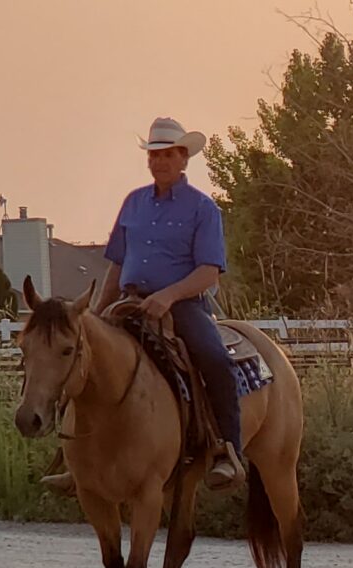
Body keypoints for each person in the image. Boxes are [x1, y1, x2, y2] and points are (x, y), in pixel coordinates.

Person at [45, 116, 245, 493]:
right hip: (128, 300)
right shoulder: (133, 203)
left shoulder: (203, 209)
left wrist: (168, 296)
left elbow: (209, 272)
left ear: (184, 158)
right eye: (154, 155)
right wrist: (98, 313)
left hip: (183, 304)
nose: (160, 162)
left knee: (214, 359)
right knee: (81, 357)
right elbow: (117, 263)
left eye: (168, 154)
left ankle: (227, 452)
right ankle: (74, 459)